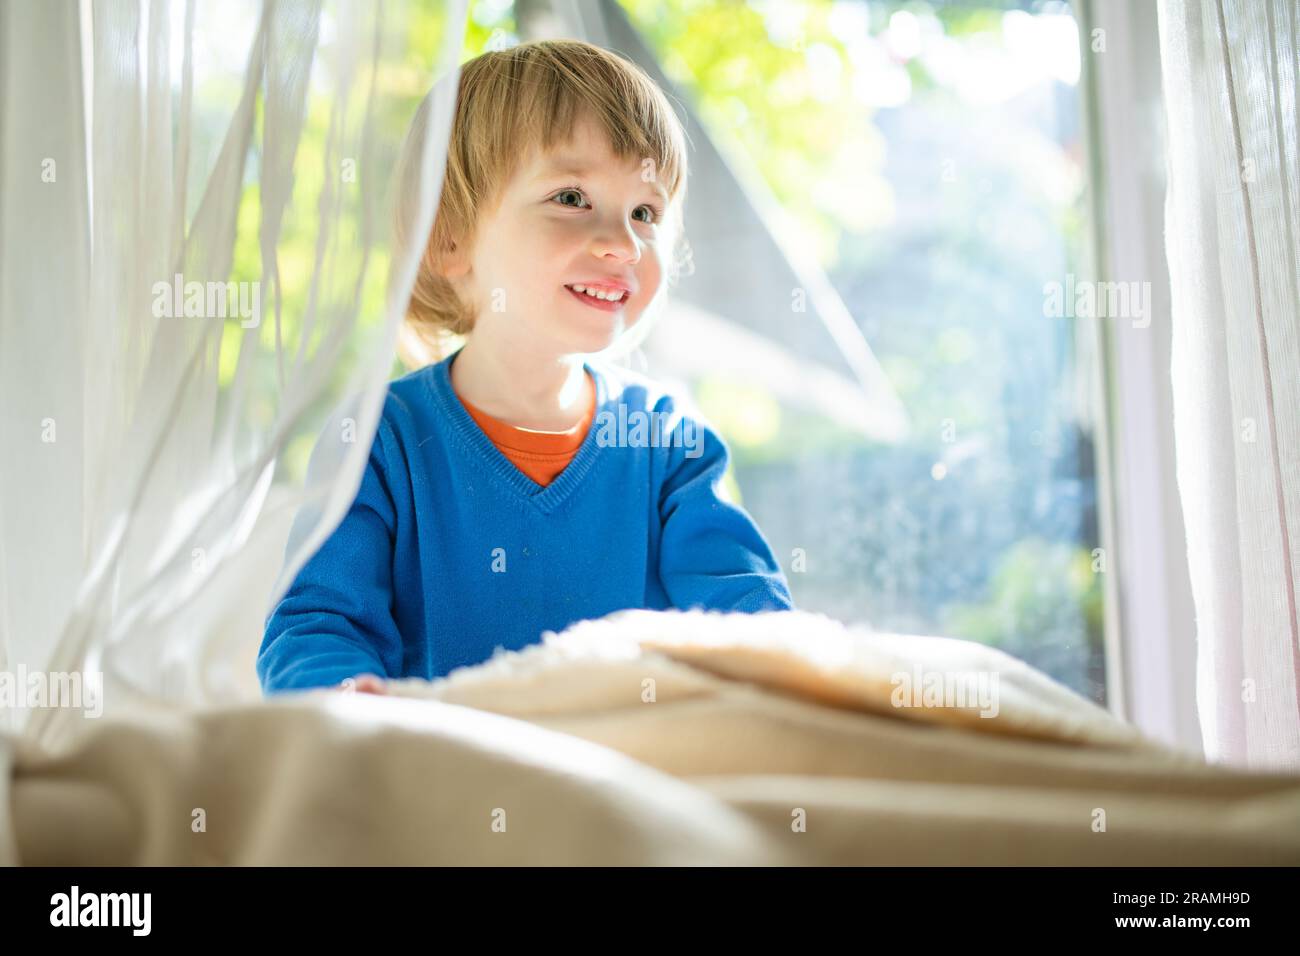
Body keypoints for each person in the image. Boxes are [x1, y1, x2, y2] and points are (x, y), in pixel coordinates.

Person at [257, 39, 793, 696]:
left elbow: (749, 615)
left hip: (628, 779)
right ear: (450, 238)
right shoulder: (377, 438)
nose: (622, 243)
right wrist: (345, 696)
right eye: (572, 197)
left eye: (645, 212)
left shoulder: (668, 439)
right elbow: (318, 626)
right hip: (444, 776)